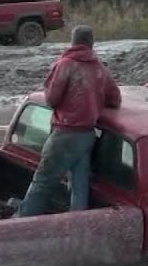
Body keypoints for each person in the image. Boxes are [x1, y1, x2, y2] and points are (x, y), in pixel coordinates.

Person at [17, 26, 121, 217]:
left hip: (64, 133)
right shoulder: (100, 69)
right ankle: (77, 226)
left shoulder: (65, 65)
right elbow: (115, 99)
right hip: (87, 135)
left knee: (43, 181)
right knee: (79, 186)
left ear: (73, 42)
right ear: (91, 43)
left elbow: (52, 100)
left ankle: (23, 223)